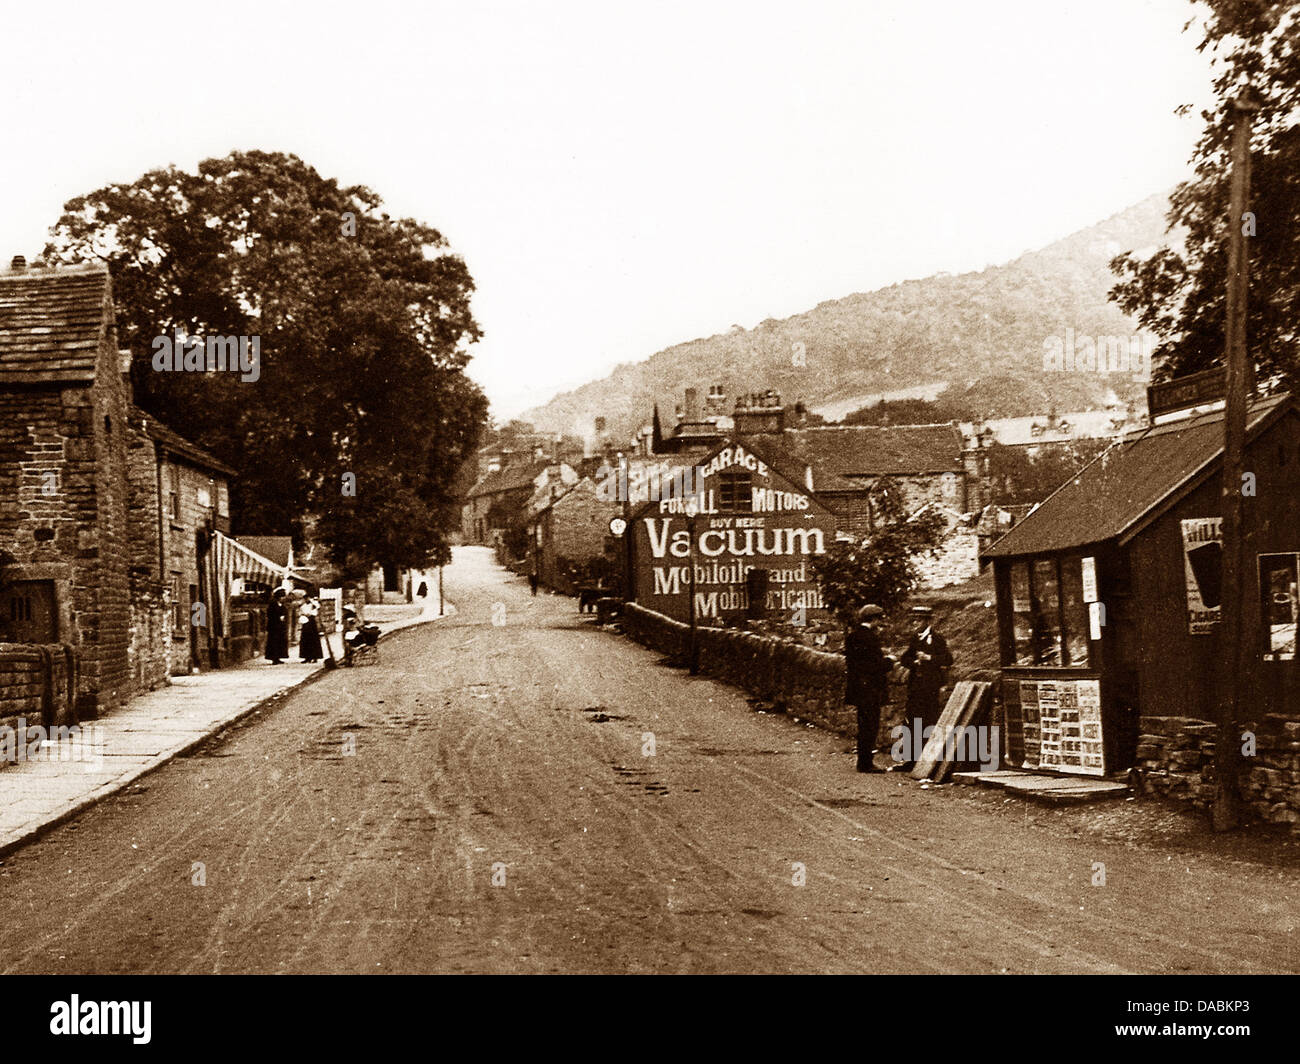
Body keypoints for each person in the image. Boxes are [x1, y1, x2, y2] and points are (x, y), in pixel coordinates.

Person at [897, 604, 953, 768]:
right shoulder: (915, 638)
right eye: (914, 620)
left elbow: (948, 659)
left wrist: (929, 658)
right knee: (912, 721)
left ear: (927, 621)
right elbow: (904, 659)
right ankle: (911, 759)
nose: (915, 623)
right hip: (916, 687)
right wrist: (914, 662)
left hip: (930, 687)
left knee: (928, 721)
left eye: (919, 620)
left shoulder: (936, 638)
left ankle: (926, 759)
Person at [844, 604, 894, 773]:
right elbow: (873, 666)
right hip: (870, 689)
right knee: (870, 726)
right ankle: (866, 763)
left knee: (863, 725)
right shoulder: (869, 638)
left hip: (858, 688)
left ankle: (863, 761)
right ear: (873, 619)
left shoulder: (852, 636)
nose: (880, 623)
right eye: (879, 619)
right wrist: (889, 661)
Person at [265, 588, 289, 664]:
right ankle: (274, 658)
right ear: (279, 597)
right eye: (282, 596)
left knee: (280, 642)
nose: (283, 598)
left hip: (280, 627)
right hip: (274, 626)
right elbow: (269, 614)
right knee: (274, 642)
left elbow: (285, 612)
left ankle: (278, 657)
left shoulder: (281, 604)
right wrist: (278, 617)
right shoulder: (273, 604)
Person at [298, 598, 323, 663]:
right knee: (305, 640)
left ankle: (314, 657)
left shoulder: (313, 604)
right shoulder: (302, 606)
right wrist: (303, 614)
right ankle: (306, 657)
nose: (307, 599)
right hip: (305, 622)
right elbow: (300, 613)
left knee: (313, 640)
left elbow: (317, 610)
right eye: (305, 598)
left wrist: (313, 608)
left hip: (312, 623)